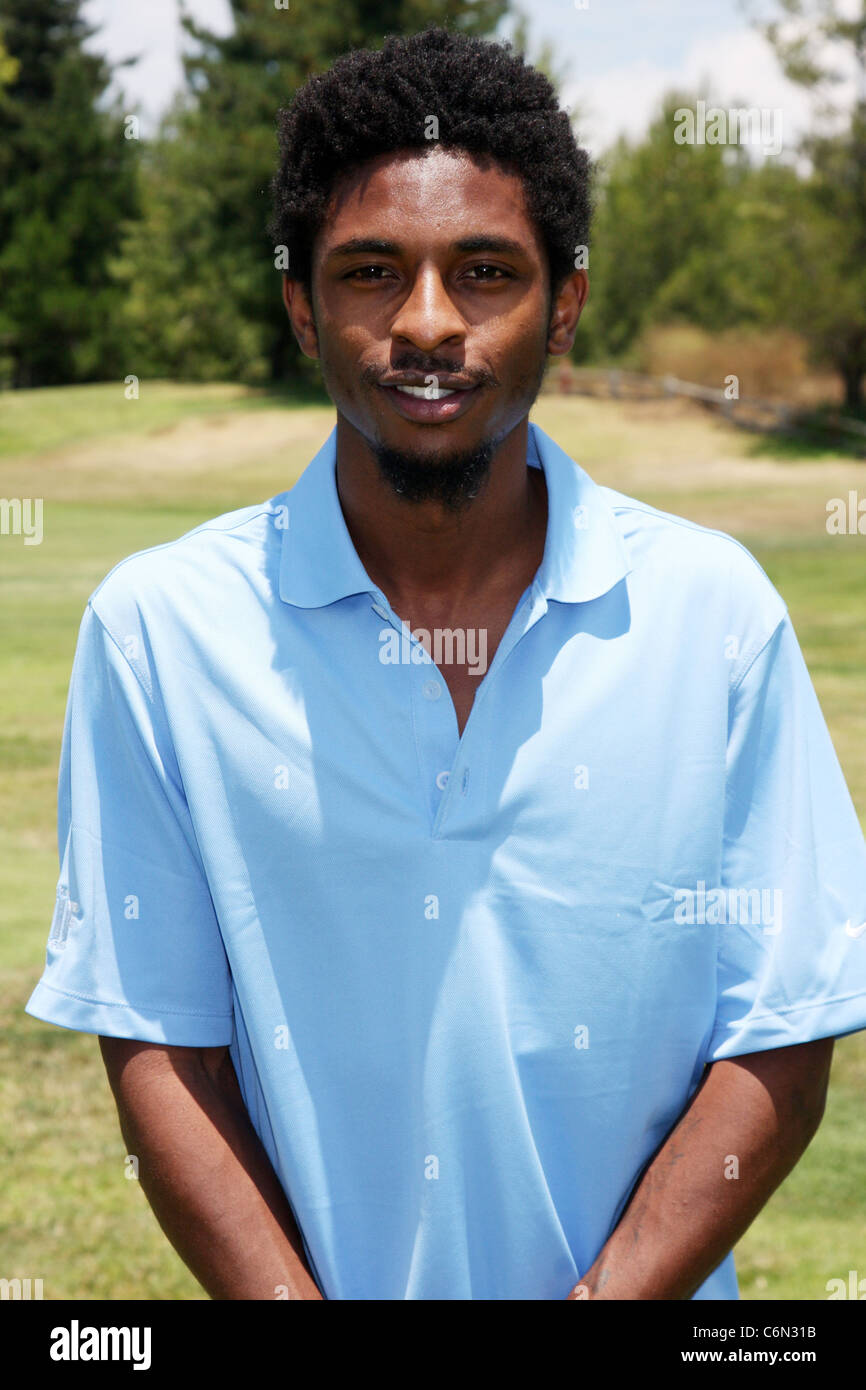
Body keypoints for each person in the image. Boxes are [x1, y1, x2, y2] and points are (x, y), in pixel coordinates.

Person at [25, 25, 866, 1301]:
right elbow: (159, 1047)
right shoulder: (160, 632)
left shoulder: (712, 616)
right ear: (302, 306)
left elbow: (782, 1029)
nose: (427, 321)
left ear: (564, 306)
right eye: (371, 271)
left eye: (484, 270)